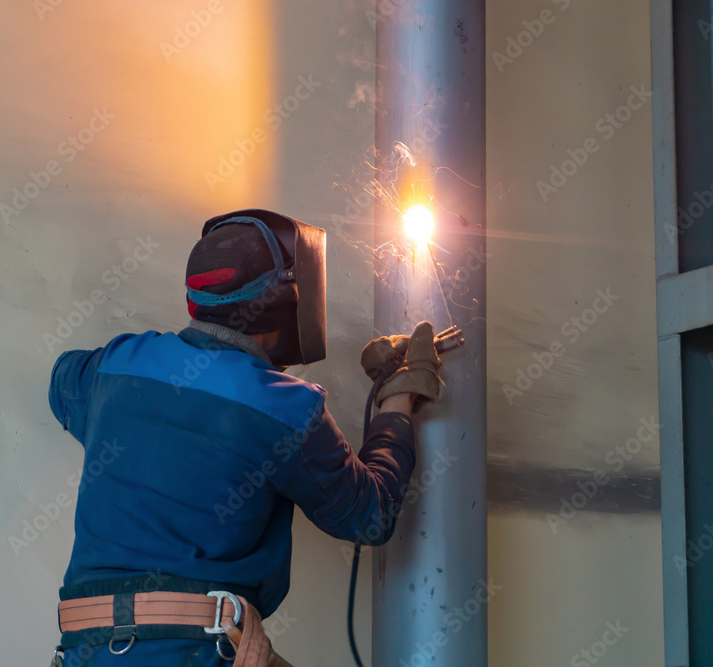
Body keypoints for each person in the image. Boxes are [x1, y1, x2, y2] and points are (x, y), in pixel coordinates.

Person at [47, 209, 443, 666]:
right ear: (285, 307)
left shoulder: (113, 365)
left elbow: (62, 377)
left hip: (86, 653)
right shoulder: (287, 409)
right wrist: (399, 396)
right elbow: (370, 514)